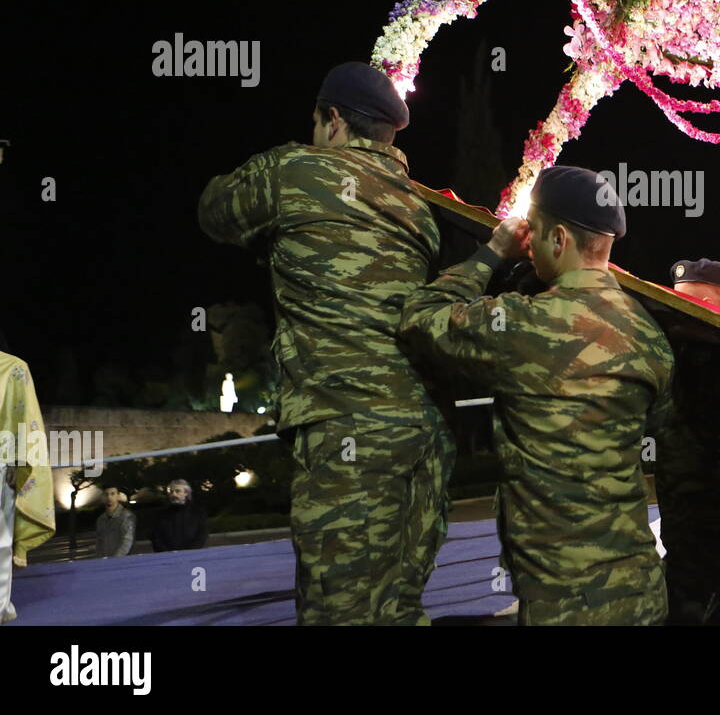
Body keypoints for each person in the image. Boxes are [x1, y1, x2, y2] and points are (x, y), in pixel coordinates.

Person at [198, 61, 455, 625]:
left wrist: (287, 161)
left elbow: (214, 209)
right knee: (399, 609)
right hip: (424, 436)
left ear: (333, 120)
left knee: (338, 613)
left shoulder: (296, 171)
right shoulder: (421, 207)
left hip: (348, 431)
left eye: (317, 123)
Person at [398, 165, 674, 625]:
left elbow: (420, 317)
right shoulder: (650, 334)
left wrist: (493, 252)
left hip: (562, 601)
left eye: (538, 233)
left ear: (559, 240)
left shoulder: (521, 324)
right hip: (642, 589)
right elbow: (663, 428)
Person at [652, 258, 720, 625]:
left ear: (710, 308)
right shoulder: (685, 343)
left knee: (678, 615)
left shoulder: (716, 351)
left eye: (684, 302)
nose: (672, 309)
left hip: (713, 516)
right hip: (690, 513)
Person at [0, 348, 56, 624]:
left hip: (0, 462)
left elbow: (27, 417)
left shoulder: (13, 367)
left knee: (0, 541)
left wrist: (20, 461)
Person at [150, 480, 208, 552]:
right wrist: (166, 553)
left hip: (191, 556)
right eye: (171, 492)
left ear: (186, 493)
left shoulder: (198, 512)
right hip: (166, 557)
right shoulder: (161, 515)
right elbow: (156, 537)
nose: (173, 494)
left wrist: (189, 552)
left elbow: (201, 535)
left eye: (177, 491)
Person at [95, 486, 136, 558]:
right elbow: (99, 542)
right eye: (106, 494)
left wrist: (115, 559)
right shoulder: (101, 519)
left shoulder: (126, 516)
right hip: (105, 562)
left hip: (122, 561)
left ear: (118, 496)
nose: (109, 497)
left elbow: (127, 541)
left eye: (112, 494)